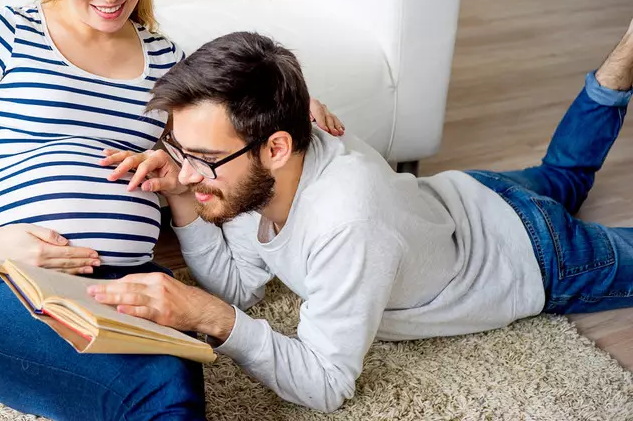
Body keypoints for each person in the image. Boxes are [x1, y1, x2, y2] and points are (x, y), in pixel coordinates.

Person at [0, 0, 341, 420]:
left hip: (134, 285)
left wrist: (292, 102)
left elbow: (232, 119)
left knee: (169, 384)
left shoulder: (168, 62)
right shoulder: (5, 33)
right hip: (8, 280)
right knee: (151, 395)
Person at [92, 21, 633, 413]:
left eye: (202, 160)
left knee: (571, 193)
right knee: (562, 176)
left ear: (277, 148)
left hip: (533, 256)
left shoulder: (346, 225)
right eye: (177, 148)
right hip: (471, 192)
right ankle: (620, 67)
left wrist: (211, 318)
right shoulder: (266, 152)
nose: (184, 172)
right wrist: (185, 196)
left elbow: (327, 384)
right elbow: (238, 283)